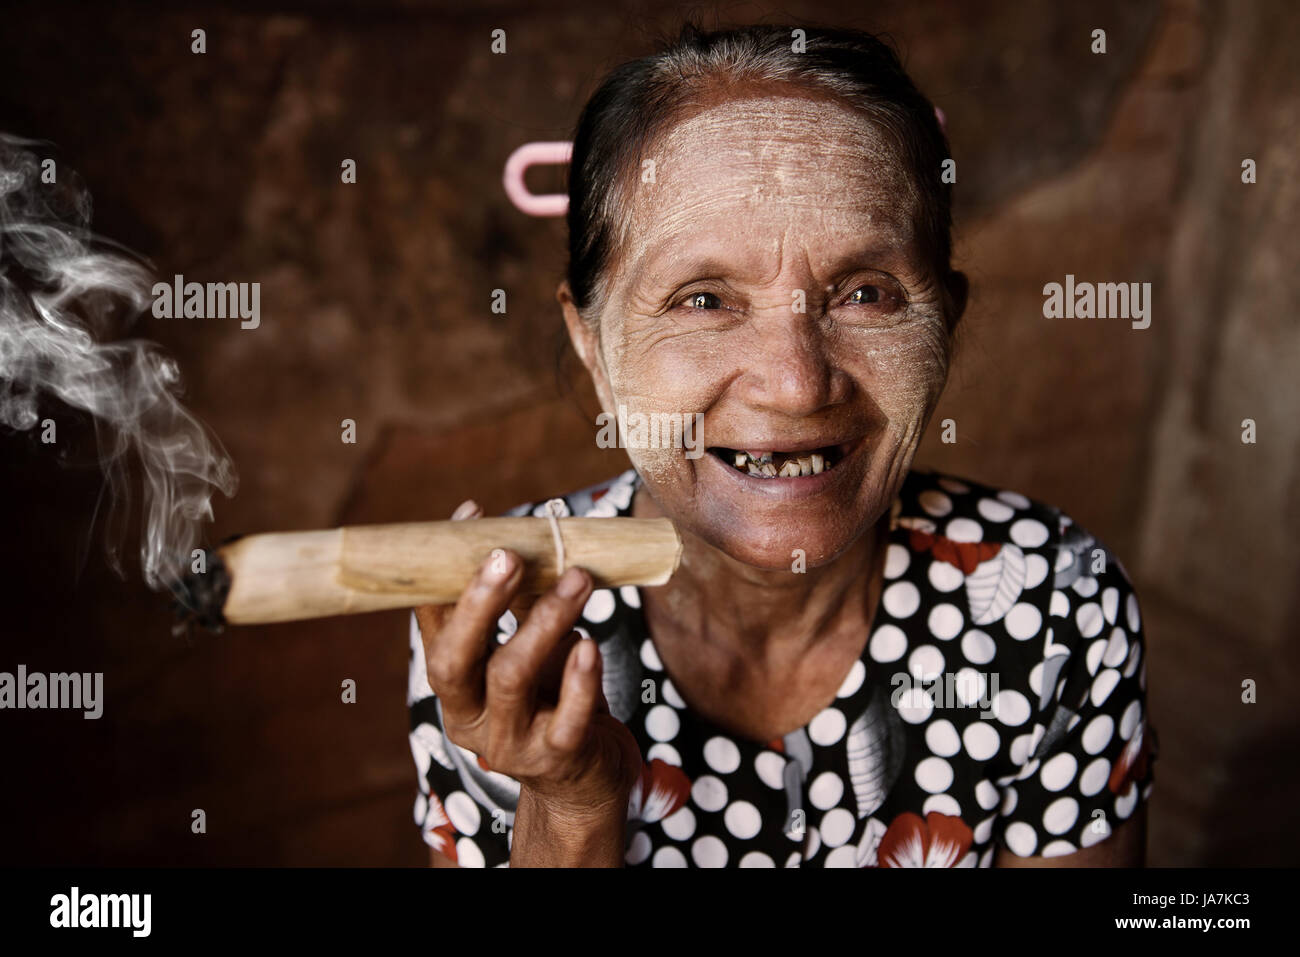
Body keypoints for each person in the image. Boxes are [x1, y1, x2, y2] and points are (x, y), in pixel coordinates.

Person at [407, 21, 1156, 867]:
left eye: (866, 293)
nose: (797, 383)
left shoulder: (1053, 605)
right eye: (703, 300)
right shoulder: (505, 630)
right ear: (594, 347)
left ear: (946, 320)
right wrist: (571, 806)